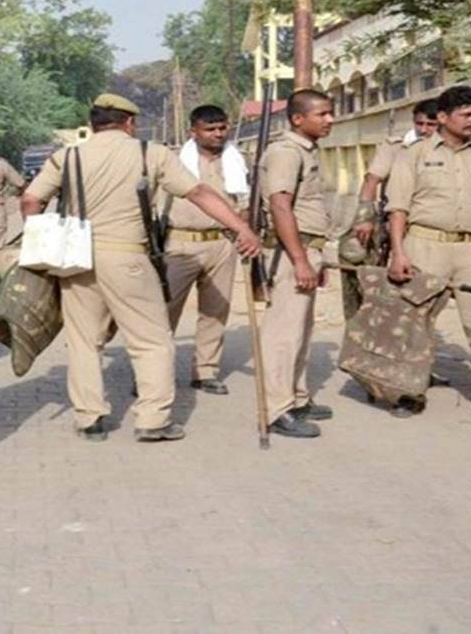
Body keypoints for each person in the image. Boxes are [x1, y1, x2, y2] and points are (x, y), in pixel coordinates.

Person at [21, 94, 261, 443]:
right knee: (152, 340)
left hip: (75, 259)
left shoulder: (68, 155)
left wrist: (45, 238)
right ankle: (152, 419)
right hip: (128, 257)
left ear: (93, 125)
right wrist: (241, 228)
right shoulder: (150, 153)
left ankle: (89, 418)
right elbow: (198, 193)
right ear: (129, 123)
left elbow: (31, 200)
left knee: (84, 341)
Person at [386, 85, 471, 421]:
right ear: (443, 117)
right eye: (466, 115)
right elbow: (398, 208)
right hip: (424, 244)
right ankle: (408, 390)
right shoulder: (412, 154)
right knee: (416, 320)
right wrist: (398, 252)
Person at [257, 89, 336, 439]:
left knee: (301, 330)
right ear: (297, 119)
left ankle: (296, 397)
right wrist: (301, 260)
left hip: (307, 248)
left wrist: (320, 259)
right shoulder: (286, 152)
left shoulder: (307, 150)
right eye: (322, 114)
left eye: (330, 113)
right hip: (292, 252)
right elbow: (280, 206)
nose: (330, 120)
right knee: (282, 335)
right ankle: (276, 410)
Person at [165, 104, 249, 396]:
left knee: (215, 310)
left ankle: (205, 371)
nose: (217, 134)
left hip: (222, 243)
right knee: (165, 312)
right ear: (194, 131)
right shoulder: (173, 162)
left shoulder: (237, 160)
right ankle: (154, 374)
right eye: (210, 129)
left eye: (222, 128)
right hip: (180, 244)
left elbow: (246, 201)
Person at [342, 98, 440, 319]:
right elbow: (371, 181)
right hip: (390, 219)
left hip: (423, 224)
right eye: (420, 123)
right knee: (360, 262)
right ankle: (363, 320)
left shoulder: (445, 150)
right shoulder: (397, 146)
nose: (424, 129)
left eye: (430, 125)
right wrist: (364, 218)